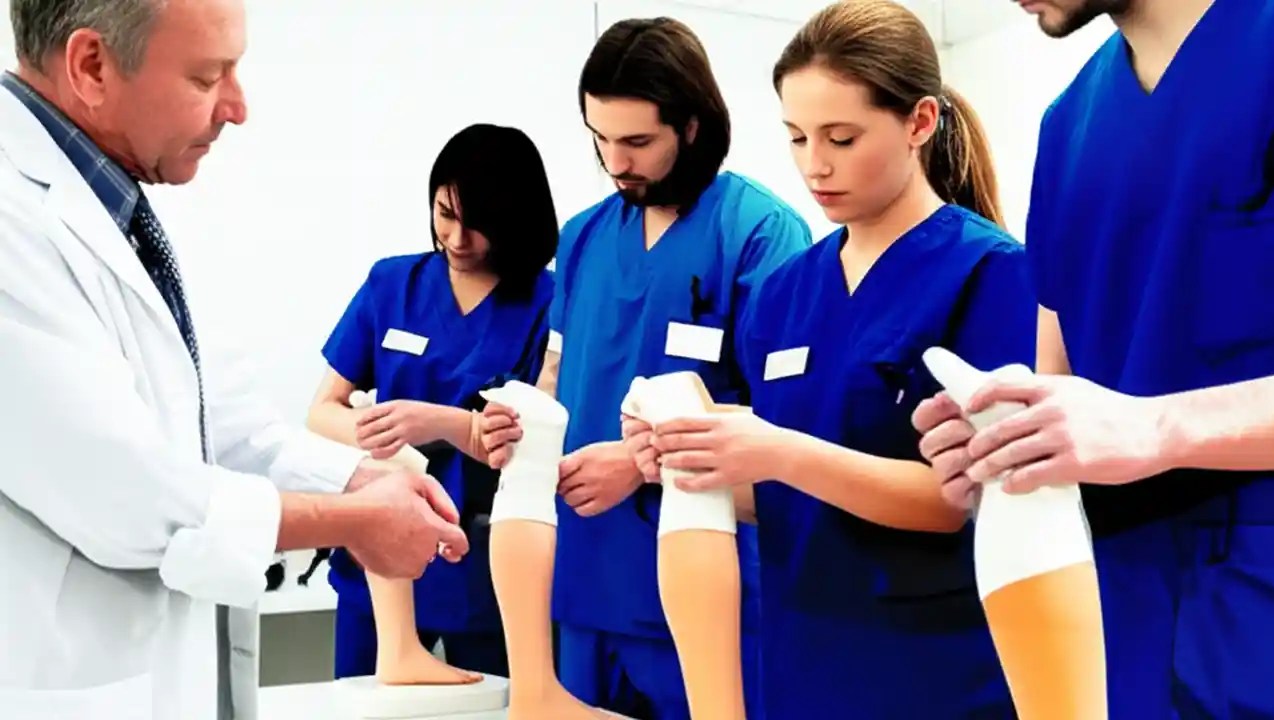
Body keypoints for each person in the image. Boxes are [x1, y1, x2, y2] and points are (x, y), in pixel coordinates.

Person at [0, 1, 467, 718]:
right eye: (207, 76)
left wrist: (356, 477)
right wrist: (352, 522)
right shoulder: (14, 219)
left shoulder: (114, 205)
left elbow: (217, 421)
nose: (239, 108)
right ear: (91, 65)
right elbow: (128, 494)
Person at [623, 2, 1035, 717]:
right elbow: (787, 495)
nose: (815, 164)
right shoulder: (786, 294)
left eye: (842, 138)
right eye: (796, 137)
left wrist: (775, 450)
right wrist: (698, 456)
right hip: (801, 662)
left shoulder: (988, 274)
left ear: (920, 123)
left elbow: (954, 501)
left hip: (933, 673)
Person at [911, 0, 1274, 716]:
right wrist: (1003, 444)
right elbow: (1057, 379)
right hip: (1117, 611)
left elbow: (1132, 425)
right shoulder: (1068, 125)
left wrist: (1154, 429)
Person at [478, 16, 812, 720]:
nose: (615, 162)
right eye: (600, 140)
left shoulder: (758, 234)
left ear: (691, 127)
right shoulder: (585, 237)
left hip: (704, 589)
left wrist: (636, 461)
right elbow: (556, 374)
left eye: (636, 142)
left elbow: (786, 426)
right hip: (585, 582)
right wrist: (519, 423)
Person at [306, 122, 558, 684]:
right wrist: (384, 436)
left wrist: (444, 424)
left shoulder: (550, 303)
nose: (458, 238)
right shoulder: (393, 283)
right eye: (446, 214)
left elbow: (540, 439)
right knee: (367, 700)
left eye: (479, 224)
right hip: (377, 556)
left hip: (485, 568)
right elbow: (323, 411)